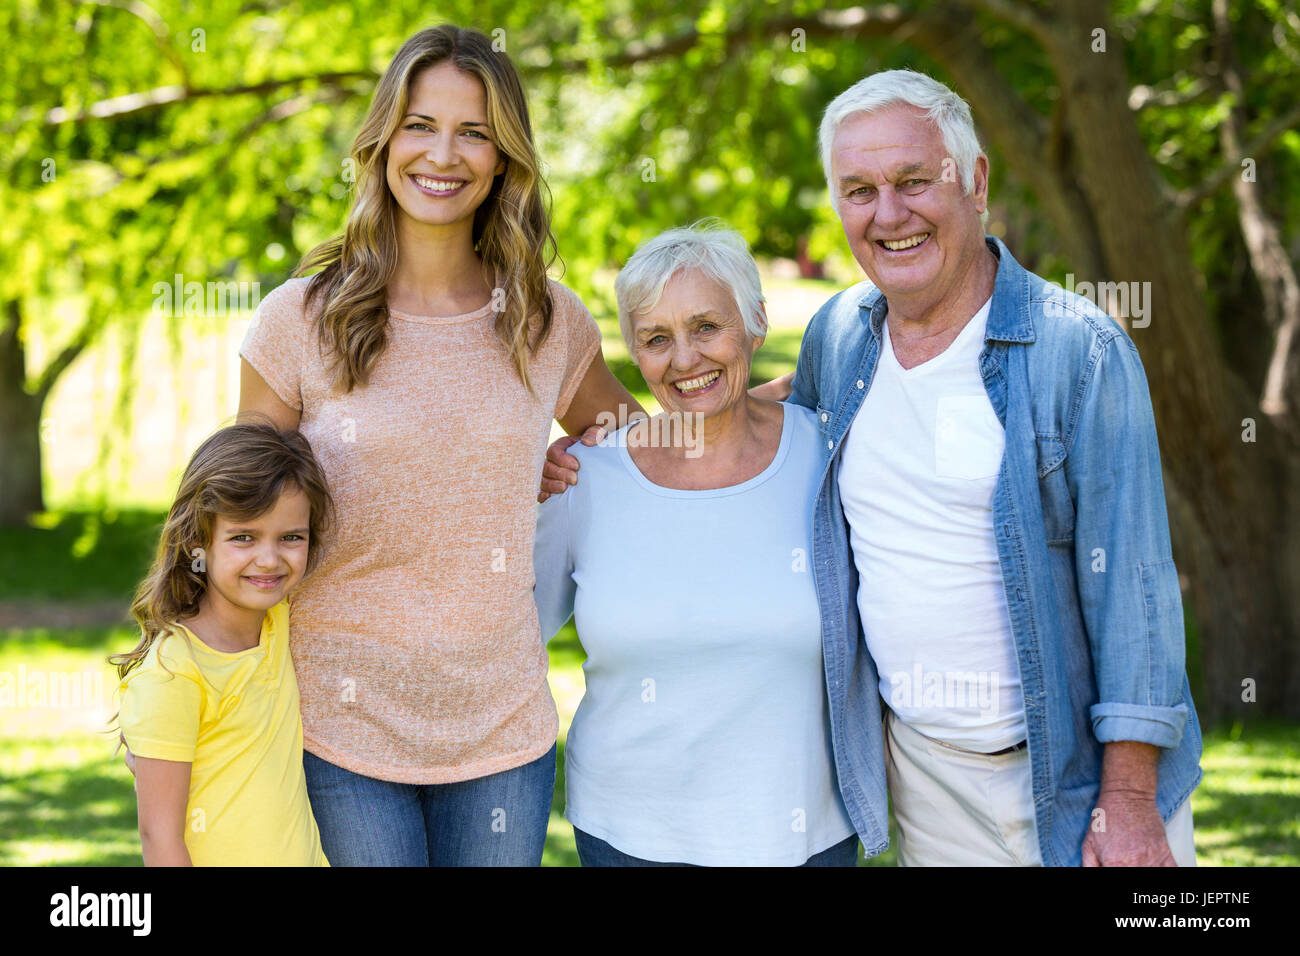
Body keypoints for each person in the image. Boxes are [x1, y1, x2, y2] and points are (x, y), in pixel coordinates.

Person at [543, 69, 1204, 868]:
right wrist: (611, 453)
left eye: (913, 181)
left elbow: (1136, 588)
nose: (888, 213)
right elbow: (742, 411)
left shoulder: (1080, 353)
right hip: (917, 776)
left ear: (977, 181)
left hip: (1073, 779)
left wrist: (1129, 800)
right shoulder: (842, 339)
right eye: (859, 190)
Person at [233, 25, 644, 865]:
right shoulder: (296, 320)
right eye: (421, 125)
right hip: (338, 721)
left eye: (475, 132)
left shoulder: (545, 319)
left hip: (501, 726)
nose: (443, 154)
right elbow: (237, 516)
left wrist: (748, 415)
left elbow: (636, 441)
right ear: (384, 140)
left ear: (505, 160)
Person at [533, 221, 858, 866]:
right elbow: (509, 638)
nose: (684, 360)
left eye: (707, 327)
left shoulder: (829, 455)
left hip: (802, 835)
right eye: (657, 339)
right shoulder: (585, 478)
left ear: (756, 323)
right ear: (634, 352)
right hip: (629, 837)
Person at [111, 421, 335, 866]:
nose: (269, 560)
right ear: (199, 543)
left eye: (291, 537)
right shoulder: (174, 674)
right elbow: (160, 839)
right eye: (243, 538)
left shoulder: (279, 621)